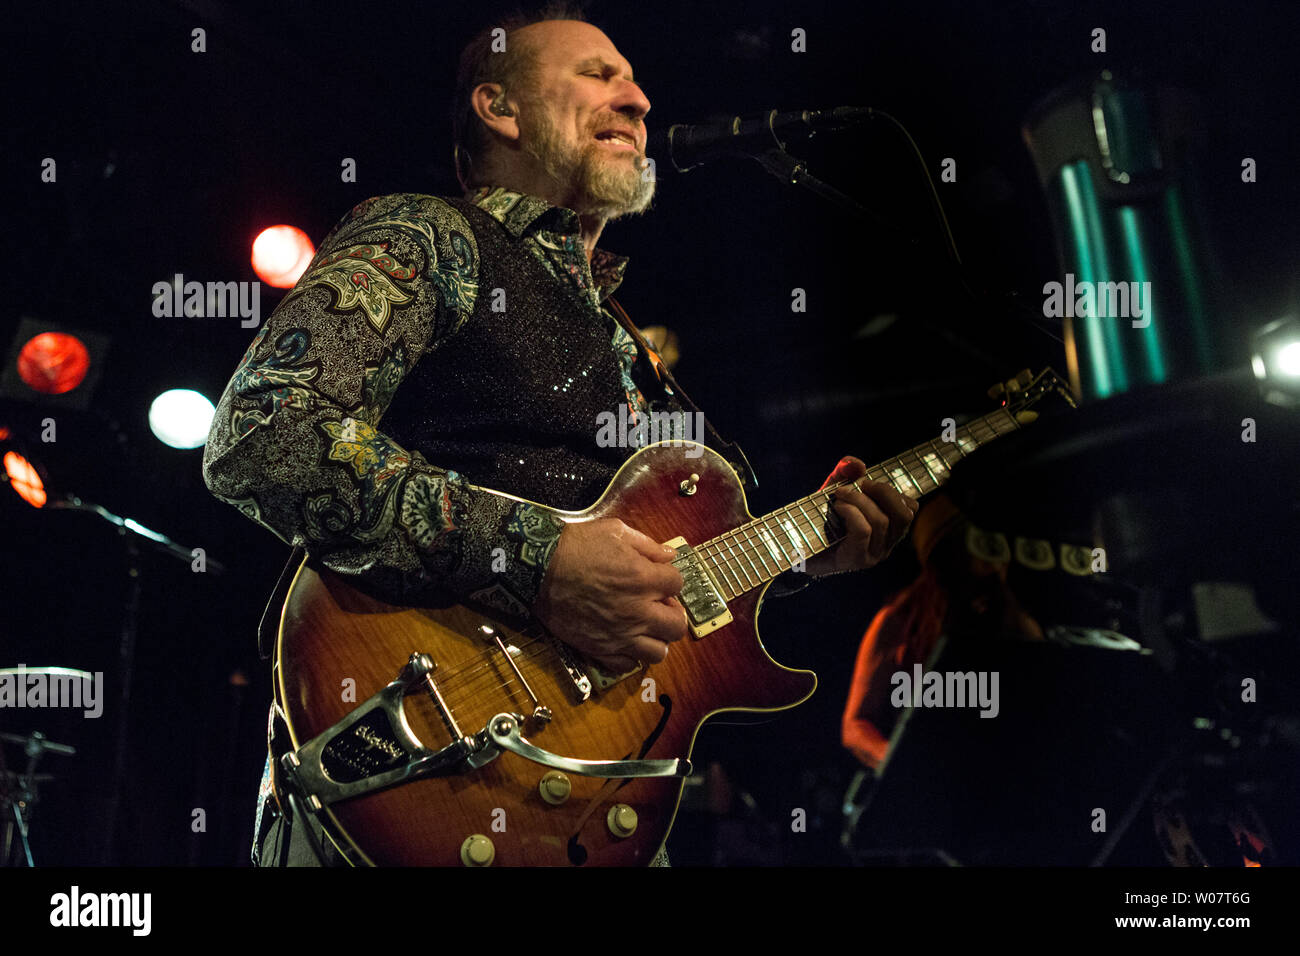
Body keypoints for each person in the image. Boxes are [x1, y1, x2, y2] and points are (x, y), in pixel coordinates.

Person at [203, 6, 916, 866]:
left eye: (634, 80)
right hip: (417, 747)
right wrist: (538, 559)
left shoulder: (625, 343)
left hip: (592, 788)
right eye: (599, 74)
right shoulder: (431, 236)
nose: (640, 98)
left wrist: (807, 556)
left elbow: (667, 571)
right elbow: (263, 435)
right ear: (501, 108)